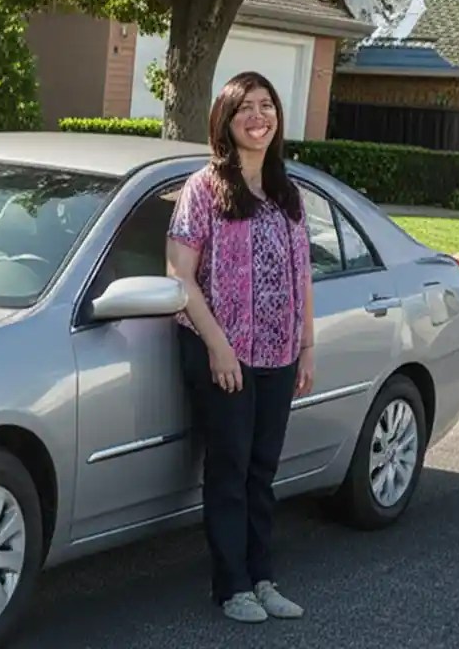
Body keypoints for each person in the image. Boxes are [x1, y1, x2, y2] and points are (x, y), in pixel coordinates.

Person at [165, 71, 315, 624]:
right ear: (225, 123)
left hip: (279, 353)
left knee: (261, 471)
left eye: (267, 106)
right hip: (222, 355)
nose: (259, 116)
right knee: (228, 470)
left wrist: (307, 347)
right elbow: (179, 276)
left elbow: (304, 276)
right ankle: (232, 586)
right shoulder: (203, 189)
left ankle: (263, 577)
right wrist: (218, 347)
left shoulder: (286, 192)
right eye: (246, 109)